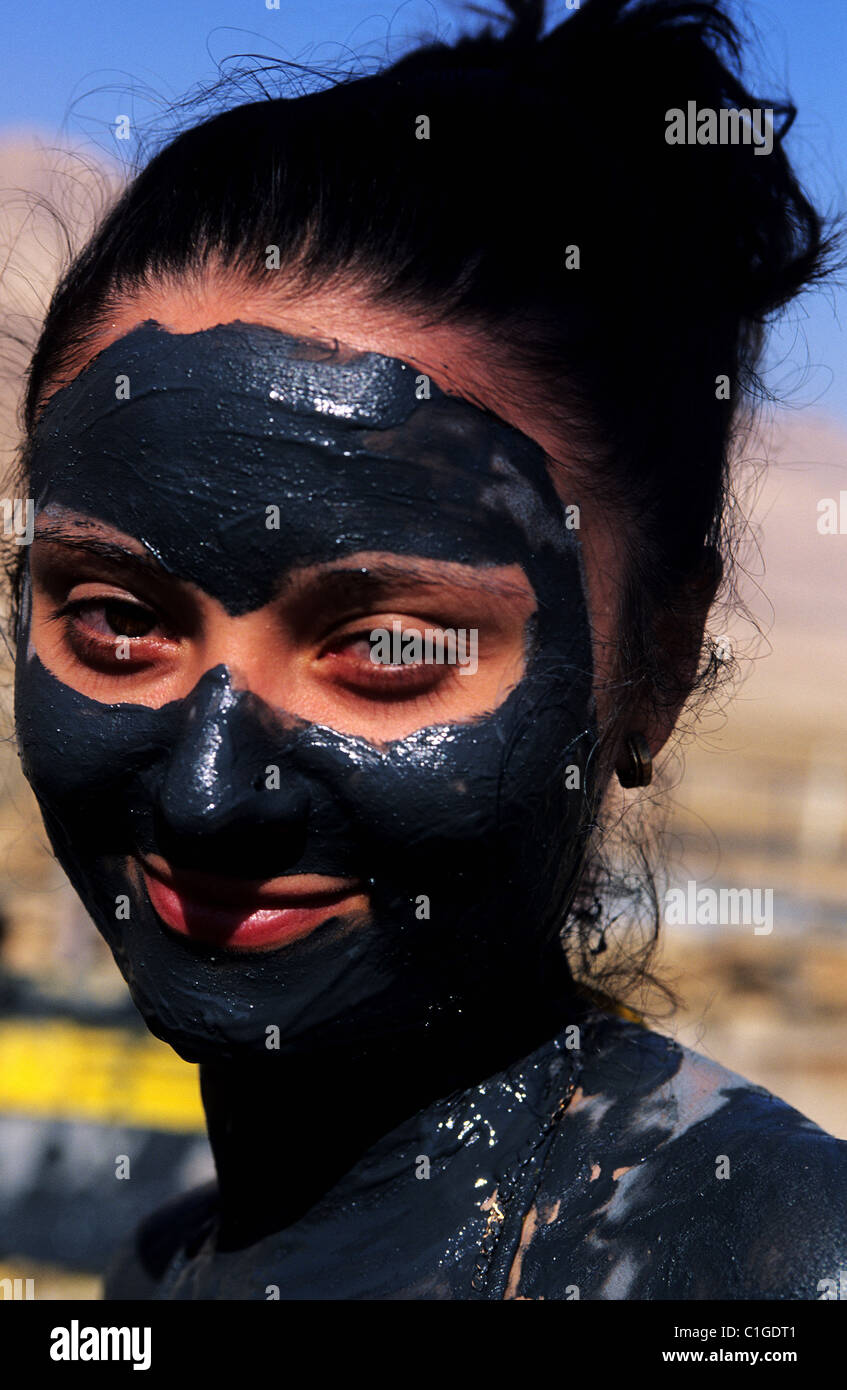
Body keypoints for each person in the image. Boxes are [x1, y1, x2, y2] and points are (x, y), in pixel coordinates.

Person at [9, 0, 847, 1299]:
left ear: (660, 660)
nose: (207, 792)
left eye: (388, 643)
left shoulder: (761, 1270)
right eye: (116, 618)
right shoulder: (158, 1269)